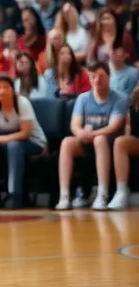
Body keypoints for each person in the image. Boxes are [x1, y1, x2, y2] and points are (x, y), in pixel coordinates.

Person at [56, 62, 127, 211]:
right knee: (67, 142)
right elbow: (74, 125)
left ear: (109, 77)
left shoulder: (120, 98)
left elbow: (113, 127)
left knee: (99, 139)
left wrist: (91, 134)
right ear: (89, 78)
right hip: (87, 142)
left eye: (101, 76)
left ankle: (103, 194)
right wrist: (80, 133)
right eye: (93, 76)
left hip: (109, 144)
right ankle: (64, 195)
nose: (97, 80)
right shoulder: (83, 98)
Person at [0, 74, 46, 209]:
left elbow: (26, 133)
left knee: (13, 146)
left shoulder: (22, 102)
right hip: (6, 144)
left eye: (5, 87)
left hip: (34, 143)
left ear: (12, 90)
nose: (2, 91)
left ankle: (15, 195)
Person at [107, 84, 139, 209]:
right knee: (120, 142)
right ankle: (121, 192)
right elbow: (128, 125)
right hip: (136, 139)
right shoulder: (134, 96)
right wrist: (127, 134)